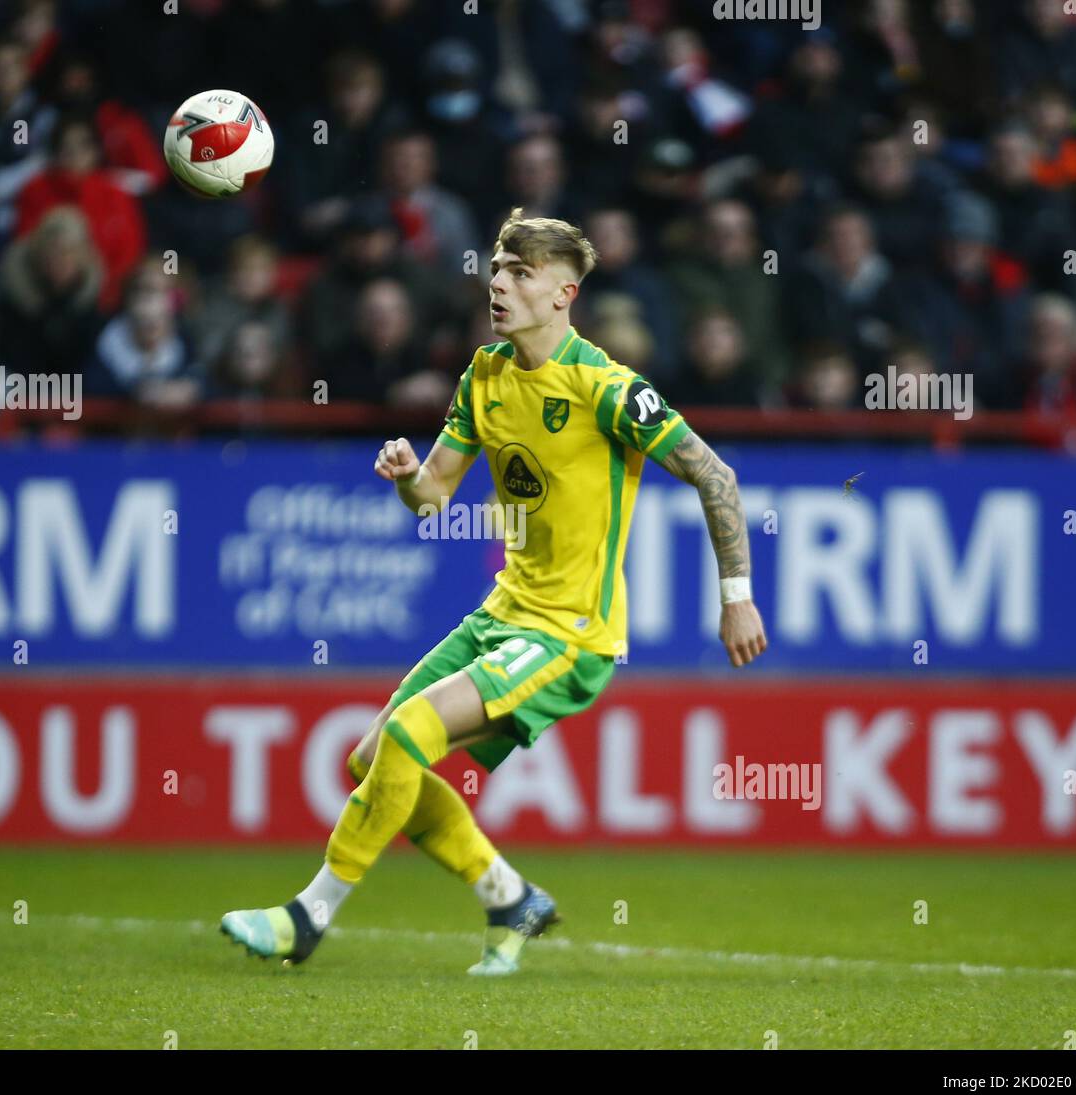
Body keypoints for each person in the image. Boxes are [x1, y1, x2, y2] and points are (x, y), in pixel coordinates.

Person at [220, 209, 768, 976]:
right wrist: (408, 477)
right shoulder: (485, 375)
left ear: (564, 294)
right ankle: (509, 897)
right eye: (497, 269)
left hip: (571, 633)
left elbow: (716, 476)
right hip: (504, 614)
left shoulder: (607, 389)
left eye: (520, 273)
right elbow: (434, 497)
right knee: (371, 760)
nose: (499, 285)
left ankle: (306, 917)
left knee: (409, 735)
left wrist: (736, 597)